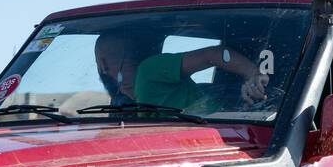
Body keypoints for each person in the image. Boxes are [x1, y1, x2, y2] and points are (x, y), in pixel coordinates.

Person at [93, 31, 271, 113]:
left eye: (100, 62)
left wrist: (254, 74)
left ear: (102, 64)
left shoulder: (149, 70)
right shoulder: (123, 105)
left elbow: (212, 55)